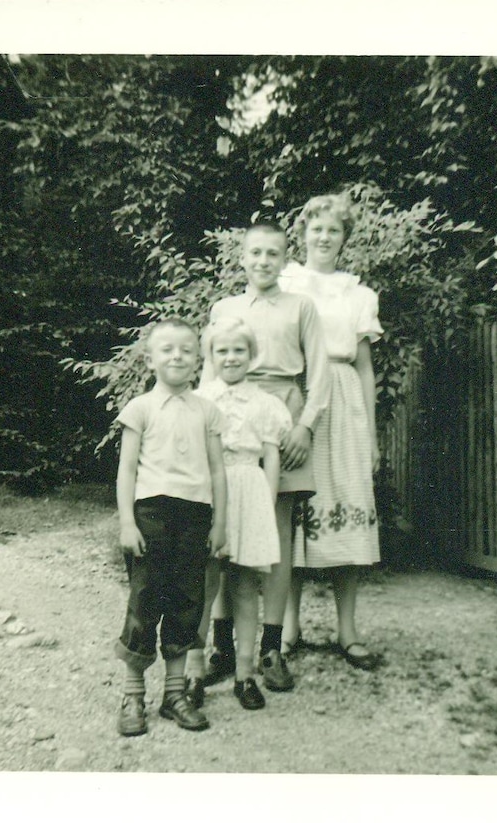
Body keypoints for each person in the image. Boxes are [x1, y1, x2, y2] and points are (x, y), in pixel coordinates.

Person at [200, 222, 330, 692]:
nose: (263, 261)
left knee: (274, 536)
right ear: (242, 258)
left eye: (273, 253)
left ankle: (271, 648)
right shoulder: (225, 308)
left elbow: (321, 374)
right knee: (223, 531)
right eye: (255, 253)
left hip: (282, 417)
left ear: (284, 258)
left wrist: (303, 426)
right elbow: (208, 371)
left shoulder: (302, 307)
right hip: (229, 419)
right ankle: (221, 647)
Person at [280, 193, 383, 670]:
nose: (324, 237)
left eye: (334, 230)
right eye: (316, 228)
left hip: (344, 407)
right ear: (303, 234)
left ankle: (347, 630)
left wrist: (372, 435)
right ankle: (287, 627)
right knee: (296, 511)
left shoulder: (358, 294)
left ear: (345, 239)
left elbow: (364, 368)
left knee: (345, 507)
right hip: (299, 398)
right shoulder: (285, 283)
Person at [113, 318, 227, 736]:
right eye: (167, 349)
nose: (177, 356)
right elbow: (126, 471)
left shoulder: (207, 410)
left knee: (186, 602)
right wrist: (127, 521)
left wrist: (221, 524)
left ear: (199, 359)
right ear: (149, 359)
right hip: (151, 515)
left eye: (186, 349)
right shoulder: (140, 409)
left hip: (195, 516)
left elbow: (218, 471)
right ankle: (133, 695)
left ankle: (174, 695)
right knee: (145, 602)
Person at [185, 317, 292, 710]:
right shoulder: (198, 400)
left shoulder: (266, 404)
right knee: (205, 584)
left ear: (252, 355)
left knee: (246, 587)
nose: (231, 358)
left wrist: (267, 501)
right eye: (222, 351)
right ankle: (195, 673)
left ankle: (245, 674)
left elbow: (272, 458)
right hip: (210, 493)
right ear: (209, 356)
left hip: (249, 491)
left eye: (239, 350)